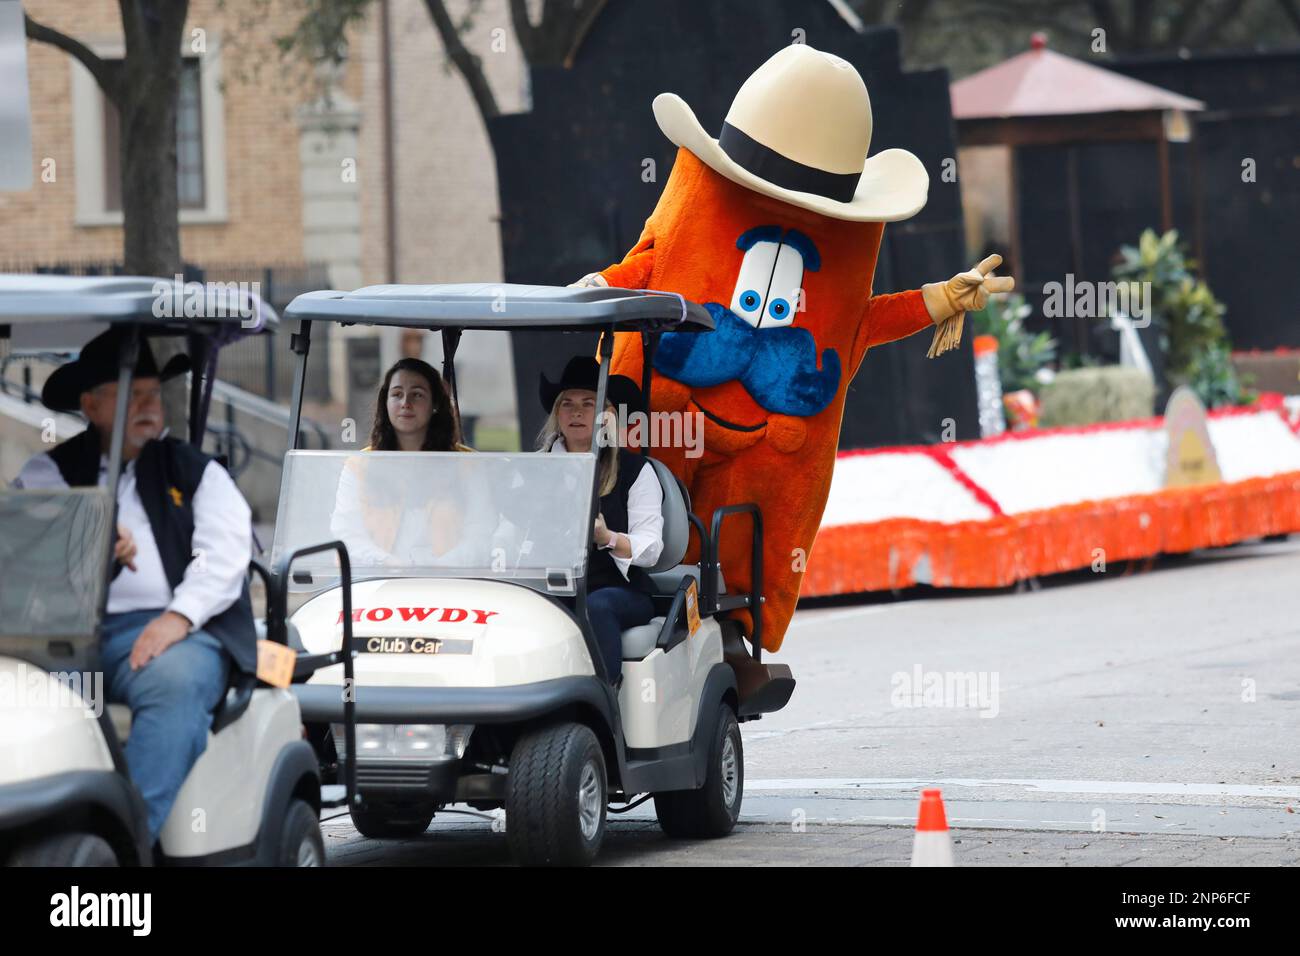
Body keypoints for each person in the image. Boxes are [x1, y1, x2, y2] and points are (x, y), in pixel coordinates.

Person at [12, 329, 256, 842]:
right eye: (133, 394)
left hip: (175, 632)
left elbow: (225, 555)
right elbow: (24, 541)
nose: (149, 406)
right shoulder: (48, 472)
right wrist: (91, 543)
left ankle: (124, 844)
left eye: (153, 393)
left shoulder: (195, 471)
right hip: (66, 637)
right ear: (91, 405)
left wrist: (177, 617)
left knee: (174, 684)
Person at [536, 356, 664, 685]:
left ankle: (605, 702)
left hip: (618, 589)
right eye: (567, 404)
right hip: (554, 583)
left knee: (596, 605)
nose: (576, 412)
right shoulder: (537, 469)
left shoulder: (636, 472)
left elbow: (650, 549)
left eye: (588, 403)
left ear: (607, 415)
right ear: (557, 414)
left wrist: (607, 537)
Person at [330, 357, 482, 568]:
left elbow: (481, 532)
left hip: (452, 582)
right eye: (397, 394)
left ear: (435, 404)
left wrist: (441, 568)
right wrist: (389, 563)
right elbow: (347, 533)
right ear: (386, 402)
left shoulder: (467, 465)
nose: (405, 403)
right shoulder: (358, 466)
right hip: (377, 581)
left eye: (417, 395)